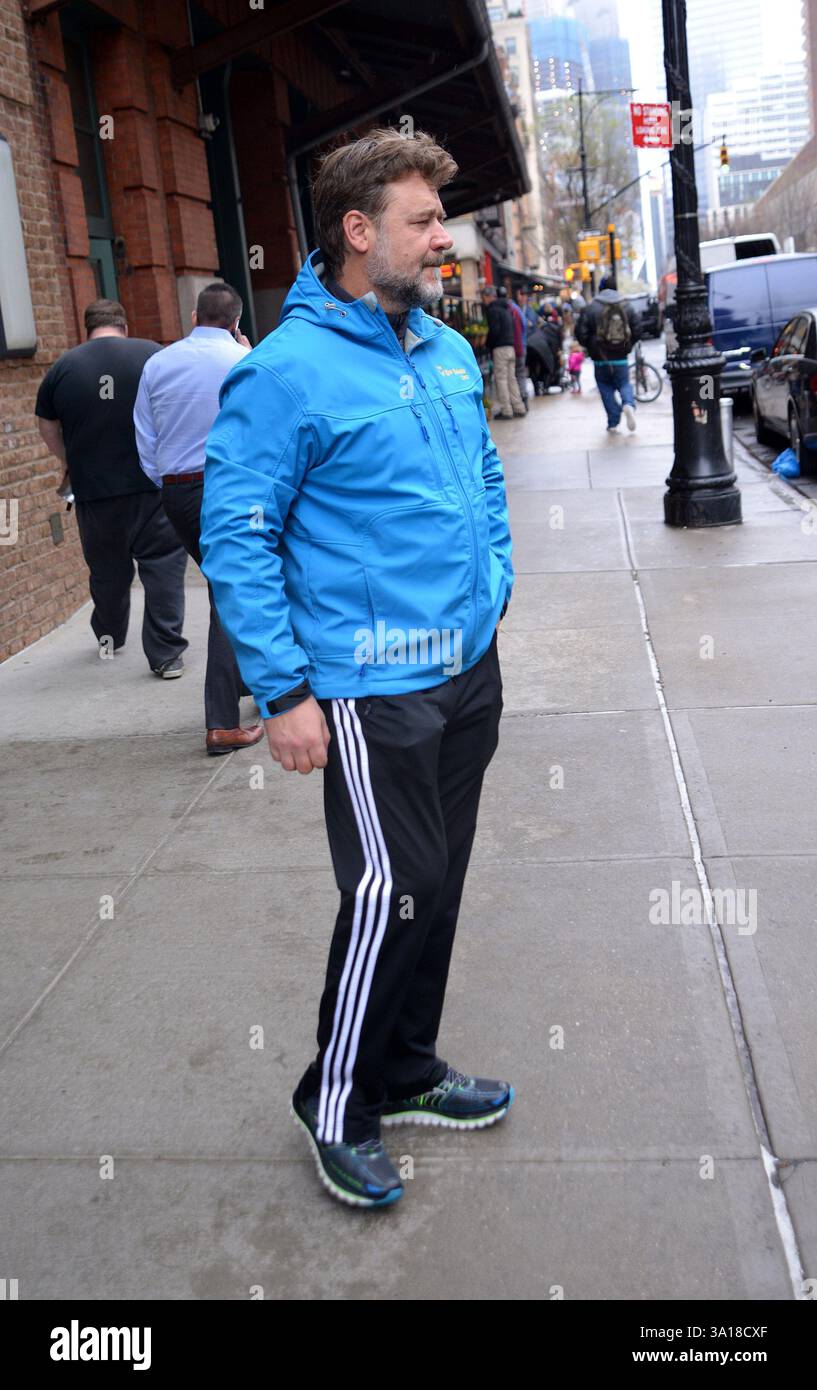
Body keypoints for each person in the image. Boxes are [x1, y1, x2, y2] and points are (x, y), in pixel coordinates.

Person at [199, 126, 515, 1209]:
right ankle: (335, 1101)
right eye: (423, 219)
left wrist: (497, 586)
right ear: (356, 229)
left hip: (467, 669)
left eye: (440, 216)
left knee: (438, 883)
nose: (441, 237)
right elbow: (237, 534)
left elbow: (481, 477)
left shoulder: (445, 349)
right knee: (393, 886)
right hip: (371, 684)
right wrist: (283, 691)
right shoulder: (283, 373)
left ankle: (407, 1069)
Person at [133, 282, 263, 757]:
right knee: (230, 591)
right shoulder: (244, 362)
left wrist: (169, 484)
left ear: (192, 316)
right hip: (228, 487)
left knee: (225, 584)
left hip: (176, 493)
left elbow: (145, 441)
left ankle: (245, 681)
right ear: (235, 322)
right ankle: (223, 723)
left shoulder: (158, 363)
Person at [35, 299, 188, 676]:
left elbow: (47, 426)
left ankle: (109, 635)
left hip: (94, 491)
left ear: (85, 327)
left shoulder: (63, 368)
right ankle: (166, 654)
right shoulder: (155, 356)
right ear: (124, 323)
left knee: (107, 571)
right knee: (163, 568)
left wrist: (69, 459)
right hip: (153, 487)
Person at [575, 276, 640, 432]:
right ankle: (628, 404)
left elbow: (581, 333)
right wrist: (627, 346)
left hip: (600, 358)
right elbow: (637, 329)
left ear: (600, 288)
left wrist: (592, 347)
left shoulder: (591, 307)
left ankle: (613, 420)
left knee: (605, 388)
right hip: (621, 357)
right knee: (624, 383)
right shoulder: (626, 305)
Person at [481, 284, 525, 419]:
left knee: (501, 379)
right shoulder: (506, 308)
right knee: (511, 378)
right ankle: (519, 407)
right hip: (511, 347)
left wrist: (487, 344)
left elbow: (494, 331)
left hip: (500, 348)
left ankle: (506, 410)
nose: (483, 301)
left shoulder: (493, 310)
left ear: (489, 297)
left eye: (484, 297)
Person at [508, 288, 529, 413]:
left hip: (517, 347)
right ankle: (524, 399)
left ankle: (519, 401)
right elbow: (525, 326)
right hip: (523, 346)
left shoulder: (511, 310)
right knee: (521, 375)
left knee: (514, 376)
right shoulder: (518, 310)